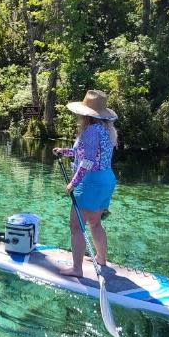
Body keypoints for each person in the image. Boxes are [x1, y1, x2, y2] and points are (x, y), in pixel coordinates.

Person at [51, 90, 118, 278]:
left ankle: (77, 269)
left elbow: (87, 161)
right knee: (95, 223)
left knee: (76, 226)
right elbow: (87, 155)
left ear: (85, 114)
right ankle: (101, 258)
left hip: (91, 181)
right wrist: (64, 152)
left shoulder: (90, 131)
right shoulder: (106, 129)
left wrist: (74, 182)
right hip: (106, 179)